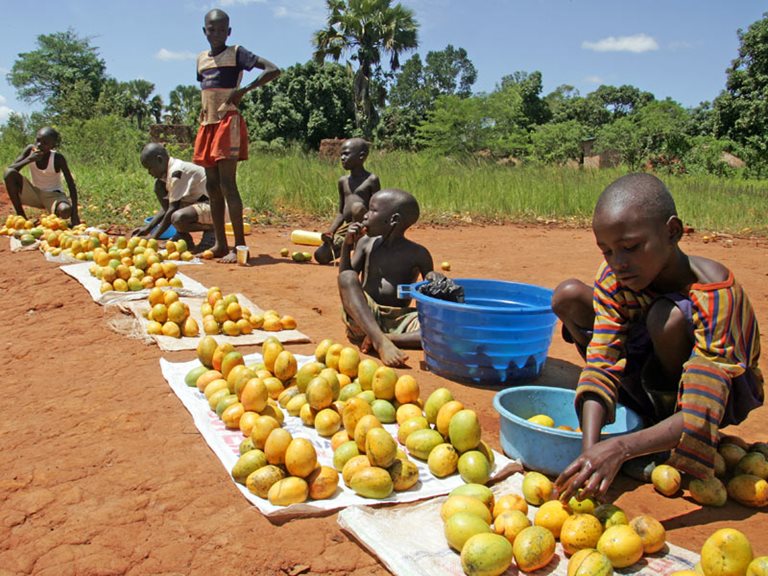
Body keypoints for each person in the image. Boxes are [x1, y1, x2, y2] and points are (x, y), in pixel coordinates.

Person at [552, 173, 763, 502]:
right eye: (606, 251)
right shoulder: (615, 277)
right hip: (650, 364)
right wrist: (590, 455)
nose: (618, 263)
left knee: (667, 317)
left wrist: (621, 447)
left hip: (721, 390)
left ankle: (663, 430)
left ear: (672, 232)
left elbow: (704, 407)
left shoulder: (715, 296)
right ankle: (650, 424)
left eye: (631, 247)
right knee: (569, 296)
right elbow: (601, 362)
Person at [193, 8, 280, 263]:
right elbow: (206, 89)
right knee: (212, 186)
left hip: (227, 120)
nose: (217, 34)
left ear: (229, 32)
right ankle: (220, 243)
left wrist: (245, 90)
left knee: (228, 183)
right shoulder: (201, 59)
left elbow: (273, 69)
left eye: (222, 30)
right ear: (204, 31)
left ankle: (239, 247)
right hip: (207, 123)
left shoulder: (237, 53)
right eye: (212, 29)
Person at [338, 188, 438, 367]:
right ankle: (379, 340)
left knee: (437, 331)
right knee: (347, 278)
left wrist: (433, 277)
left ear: (394, 220)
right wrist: (346, 246)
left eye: (373, 210)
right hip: (365, 315)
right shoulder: (365, 244)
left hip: (401, 320)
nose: (366, 216)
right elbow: (346, 279)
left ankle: (386, 338)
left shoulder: (418, 254)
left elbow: (429, 288)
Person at [132, 143, 214, 252]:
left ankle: (212, 230)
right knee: (159, 187)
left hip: (215, 207)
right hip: (199, 203)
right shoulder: (168, 174)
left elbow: (172, 210)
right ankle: (183, 236)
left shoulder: (176, 172)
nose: (149, 173)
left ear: (159, 160)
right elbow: (167, 209)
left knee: (177, 217)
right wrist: (148, 228)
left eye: (150, 168)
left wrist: (153, 237)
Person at [314, 138, 381, 264]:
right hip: (348, 229)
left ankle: (360, 249)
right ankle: (349, 247)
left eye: (346, 154)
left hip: (365, 228)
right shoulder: (343, 181)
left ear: (361, 156)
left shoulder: (371, 180)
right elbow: (341, 212)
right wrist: (330, 231)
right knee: (320, 255)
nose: (342, 158)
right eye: (341, 154)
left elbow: (376, 210)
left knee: (357, 208)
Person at [3, 126, 79, 226]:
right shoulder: (30, 150)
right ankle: (21, 217)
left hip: (52, 196)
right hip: (33, 193)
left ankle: (55, 213)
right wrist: (29, 159)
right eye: (38, 140)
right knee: (9, 173)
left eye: (45, 143)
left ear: (52, 146)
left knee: (65, 210)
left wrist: (75, 214)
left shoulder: (57, 158)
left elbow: (71, 184)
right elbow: (9, 170)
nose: (39, 145)